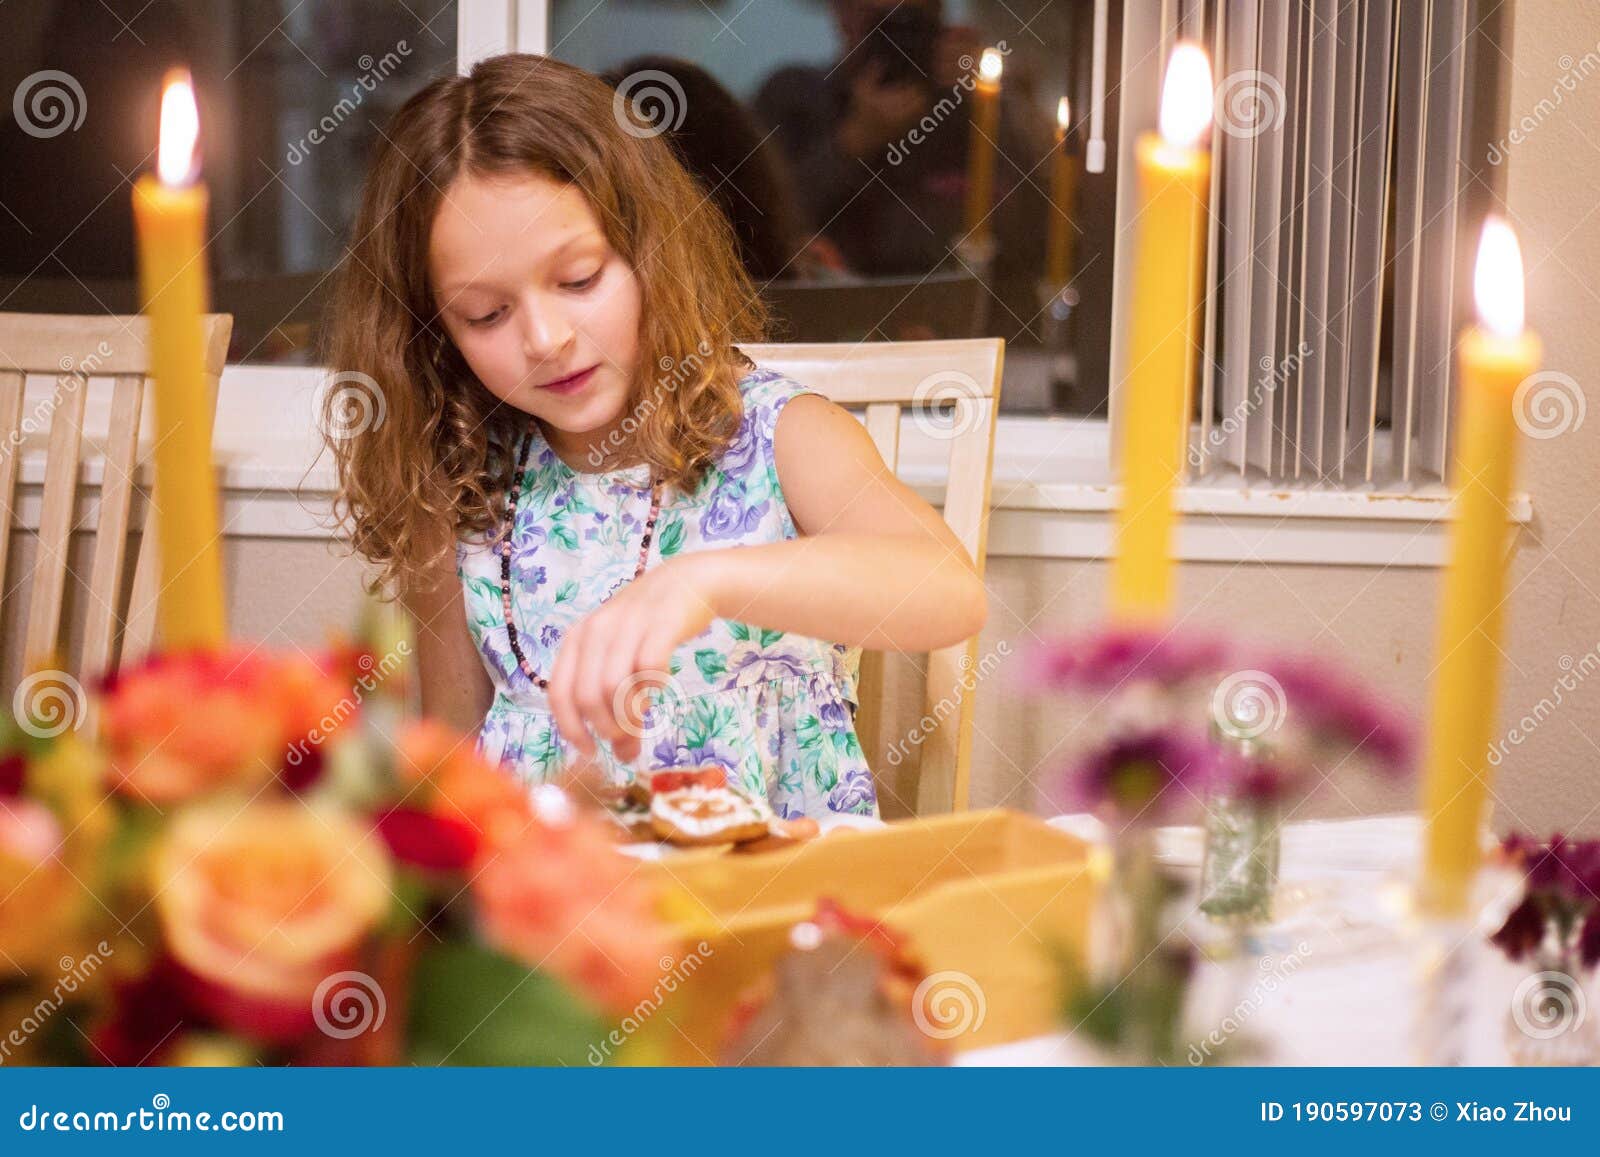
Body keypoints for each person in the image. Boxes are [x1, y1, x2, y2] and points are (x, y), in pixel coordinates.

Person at [320, 54, 987, 820]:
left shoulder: (780, 435)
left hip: (769, 912)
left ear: (650, 251)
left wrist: (704, 580)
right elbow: (451, 767)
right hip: (561, 916)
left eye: (578, 280)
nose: (546, 338)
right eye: (486, 314)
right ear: (435, 332)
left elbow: (950, 592)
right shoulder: (464, 481)